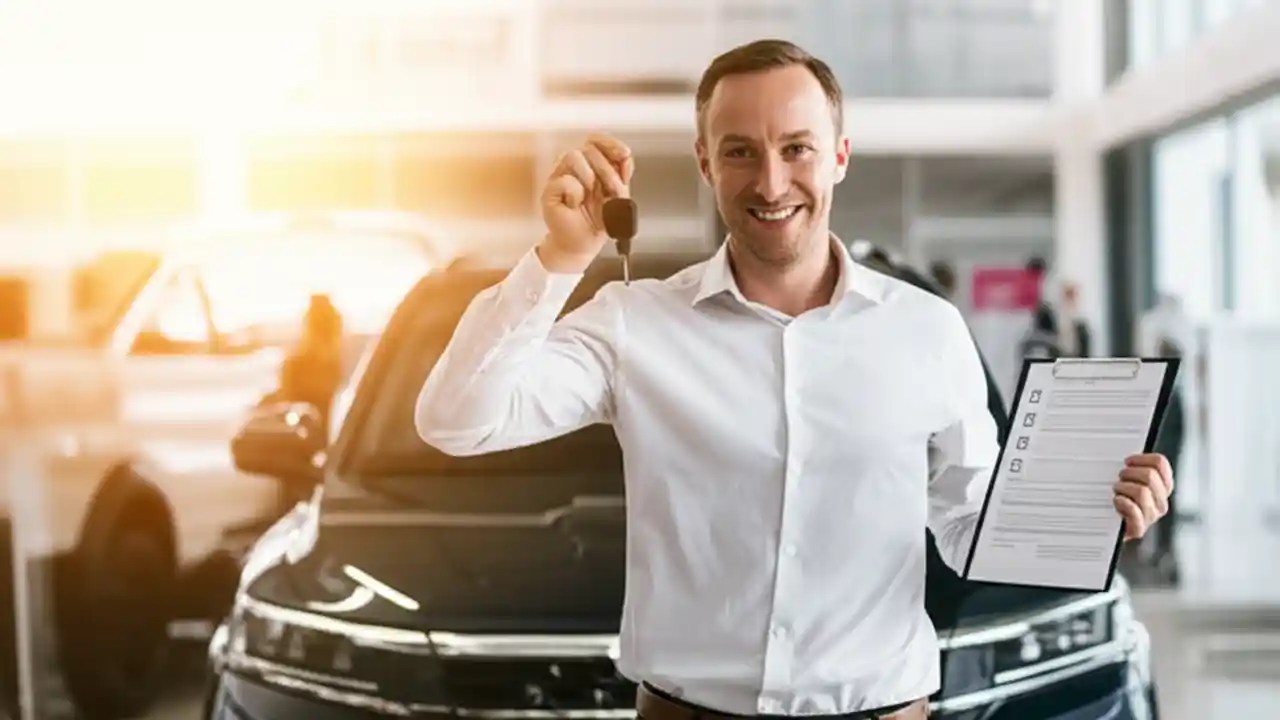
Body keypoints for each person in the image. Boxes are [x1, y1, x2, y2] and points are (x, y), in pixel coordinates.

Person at [415, 39, 1174, 719]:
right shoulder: (635, 324)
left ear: (839, 155)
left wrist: (1091, 510)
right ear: (706, 162)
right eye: (740, 151)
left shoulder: (927, 330)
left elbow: (967, 531)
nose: (771, 181)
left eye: (797, 149)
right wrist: (560, 257)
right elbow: (457, 419)